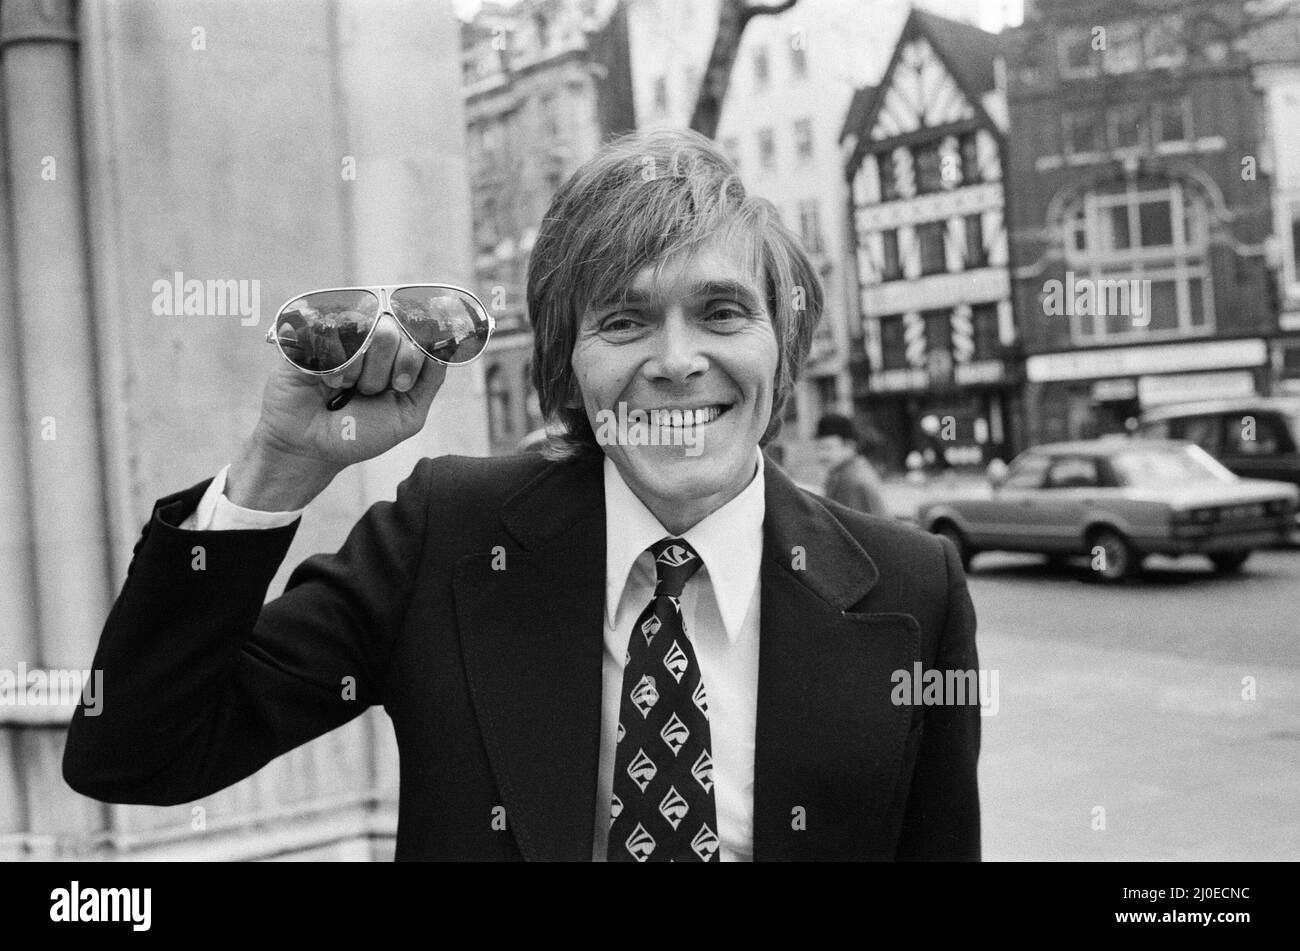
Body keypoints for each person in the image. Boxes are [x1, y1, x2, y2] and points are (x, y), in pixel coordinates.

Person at [63, 129, 980, 862]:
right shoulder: (448, 536)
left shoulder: (914, 590)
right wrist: (278, 467)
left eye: (721, 311)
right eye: (622, 320)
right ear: (566, 365)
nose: (673, 361)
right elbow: (137, 749)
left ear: (783, 338)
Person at [815, 413, 888, 517]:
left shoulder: (849, 480)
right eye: (818, 448)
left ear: (849, 445)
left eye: (827, 448)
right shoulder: (851, 470)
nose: (821, 455)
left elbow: (844, 528)